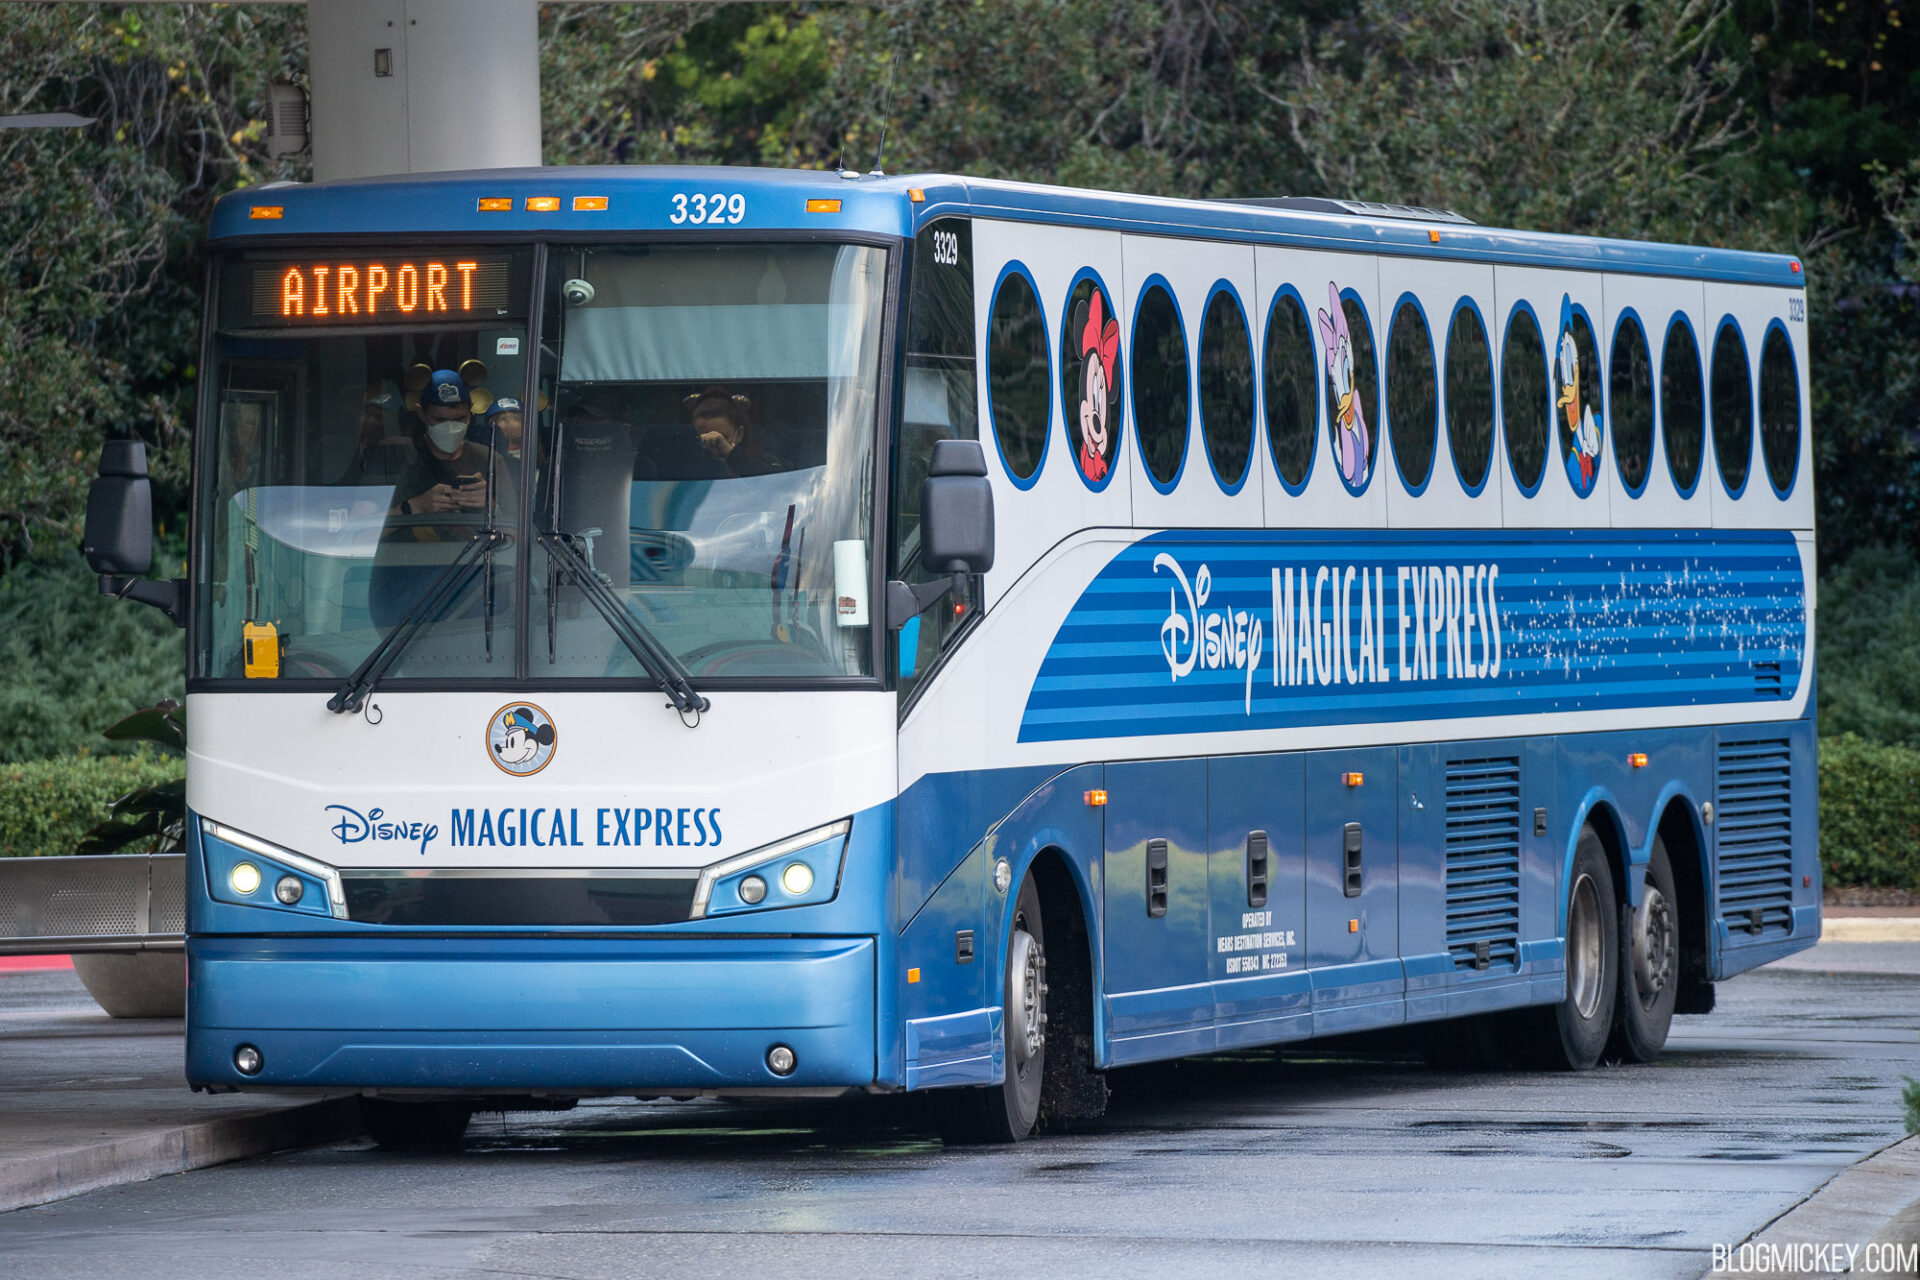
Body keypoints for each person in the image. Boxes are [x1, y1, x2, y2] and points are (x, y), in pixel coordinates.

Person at [389, 369, 515, 538]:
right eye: (440, 420)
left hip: (475, 561)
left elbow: (519, 536)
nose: (450, 428)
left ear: (470, 410)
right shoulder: (395, 457)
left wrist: (492, 507)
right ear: (421, 413)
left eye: (459, 419)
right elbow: (360, 530)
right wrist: (416, 506)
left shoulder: (491, 460)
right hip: (406, 560)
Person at [688, 388, 784, 476]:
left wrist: (731, 454)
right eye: (702, 439)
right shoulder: (684, 467)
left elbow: (779, 484)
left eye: (721, 438)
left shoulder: (762, 463)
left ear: (739, 434)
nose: (711, 443)